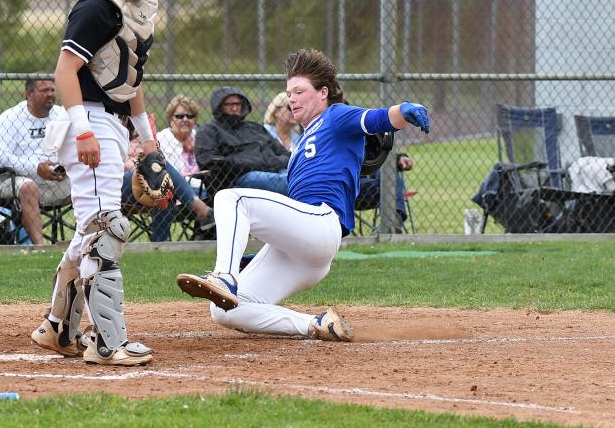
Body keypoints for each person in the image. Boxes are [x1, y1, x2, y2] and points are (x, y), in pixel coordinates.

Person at [176, 49, 429, 341]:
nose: (291, 98)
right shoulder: (302, 142)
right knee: (222, 310)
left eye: (299, 91)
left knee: (231, 198)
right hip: (306, 250)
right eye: (288, 93)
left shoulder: (335, 115)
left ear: (323, 93)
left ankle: (224, 276)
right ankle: (316, 324)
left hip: (322, 223)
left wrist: (404, 110)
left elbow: (380, 119)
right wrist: (262, 253)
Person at [30, 0, 167, 366]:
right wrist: (83, 130)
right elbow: (64, 72)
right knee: (104, 229)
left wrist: (149, 143)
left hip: (108, 121)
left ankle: (58, 328)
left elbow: (130, 82)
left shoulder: (134, 6)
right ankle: (106, 343)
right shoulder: (97, 7)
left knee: (91, 230)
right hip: (86, 120)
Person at [0, 79, 71, 245]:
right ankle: (40, 248)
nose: (50, 94)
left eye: (52, 90)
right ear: (29, 94)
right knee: (28, 186)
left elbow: (74, 147)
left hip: (57, 182)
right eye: (44, 90)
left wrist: (65, 166)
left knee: (90, 179)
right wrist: (36, 168)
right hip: (11, 182)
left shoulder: (62, 115)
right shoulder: (9, 118)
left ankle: (85, 242)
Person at [124, 126, 214, 242]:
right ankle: (202, 210)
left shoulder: (140, 122)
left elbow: (154, 150)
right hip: (122, 180)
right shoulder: (109, 123)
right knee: (155, 166)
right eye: (180, 116)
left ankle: (160, 244)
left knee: (165, 186)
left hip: (152, 176)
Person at [195, 86, 290, 195]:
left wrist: (273, 162)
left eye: (238, 104)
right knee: (289, 182)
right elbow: (209, 161)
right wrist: (247, 163)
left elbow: (284, 153)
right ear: (219, 106)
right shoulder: (209, 130)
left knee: (297, 177)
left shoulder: (255, 128)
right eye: (230, 104)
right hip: (241, 177)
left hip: (275, 170)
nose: (235, 108)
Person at [357, 152, 415, 225]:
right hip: (350, 189)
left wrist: (398, 158)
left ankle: (393, 222)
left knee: (388, 169)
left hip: (375, 188)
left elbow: (379, 154)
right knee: (391, 179)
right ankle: (393, 222)